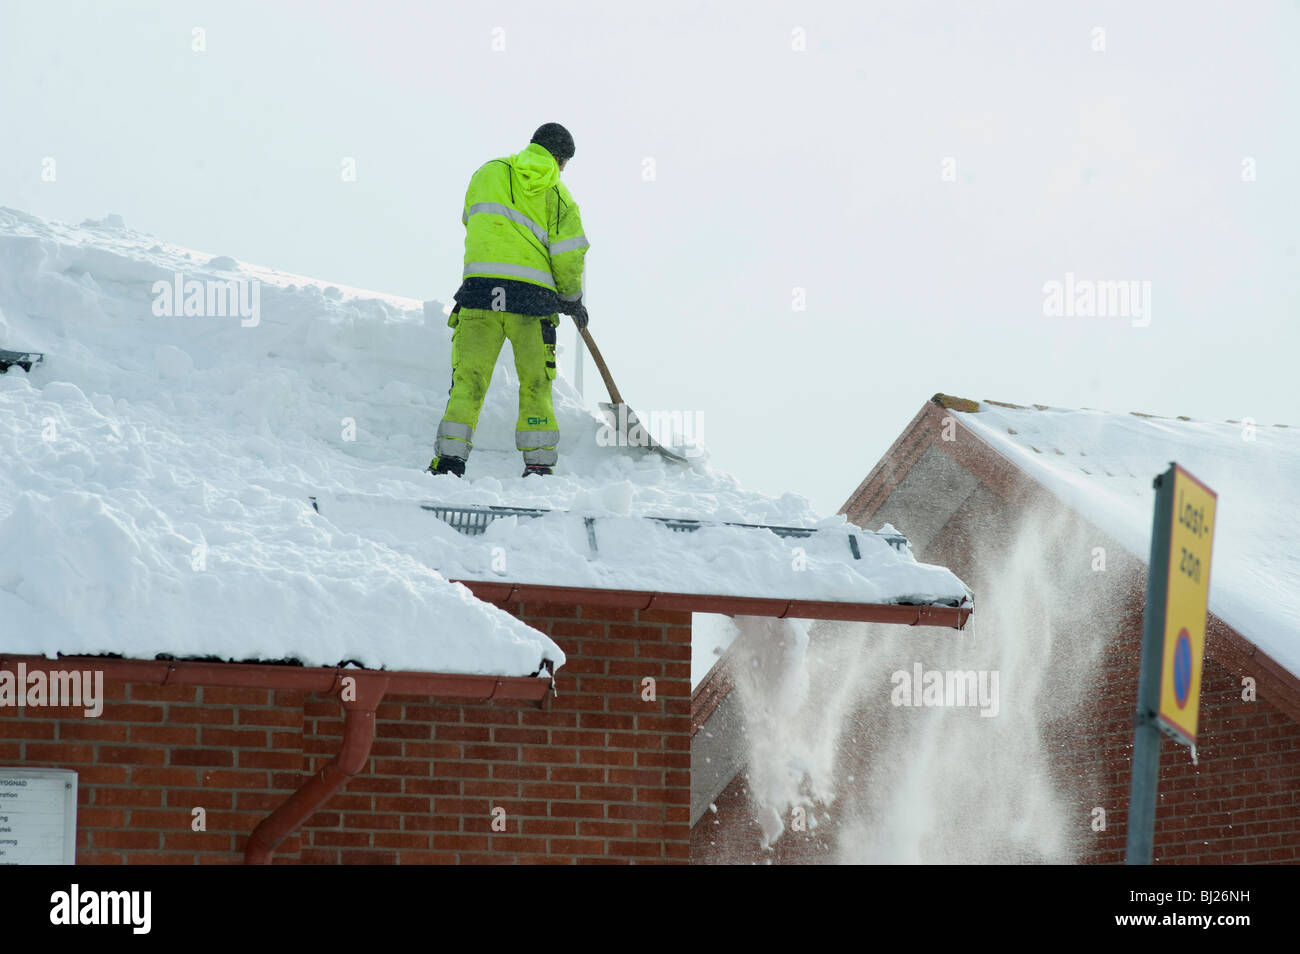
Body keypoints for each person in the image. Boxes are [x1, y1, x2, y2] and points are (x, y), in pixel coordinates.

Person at [428, 123, 590, 478]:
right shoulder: (558, 195)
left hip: (479, 293)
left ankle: (449, 461)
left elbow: (471, 219)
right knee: (535, 381)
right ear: (560, 159)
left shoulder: (488, 172)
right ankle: (538, 465)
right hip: (530, 302)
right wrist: (572, 298)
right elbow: (568, 254)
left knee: (468, 377)